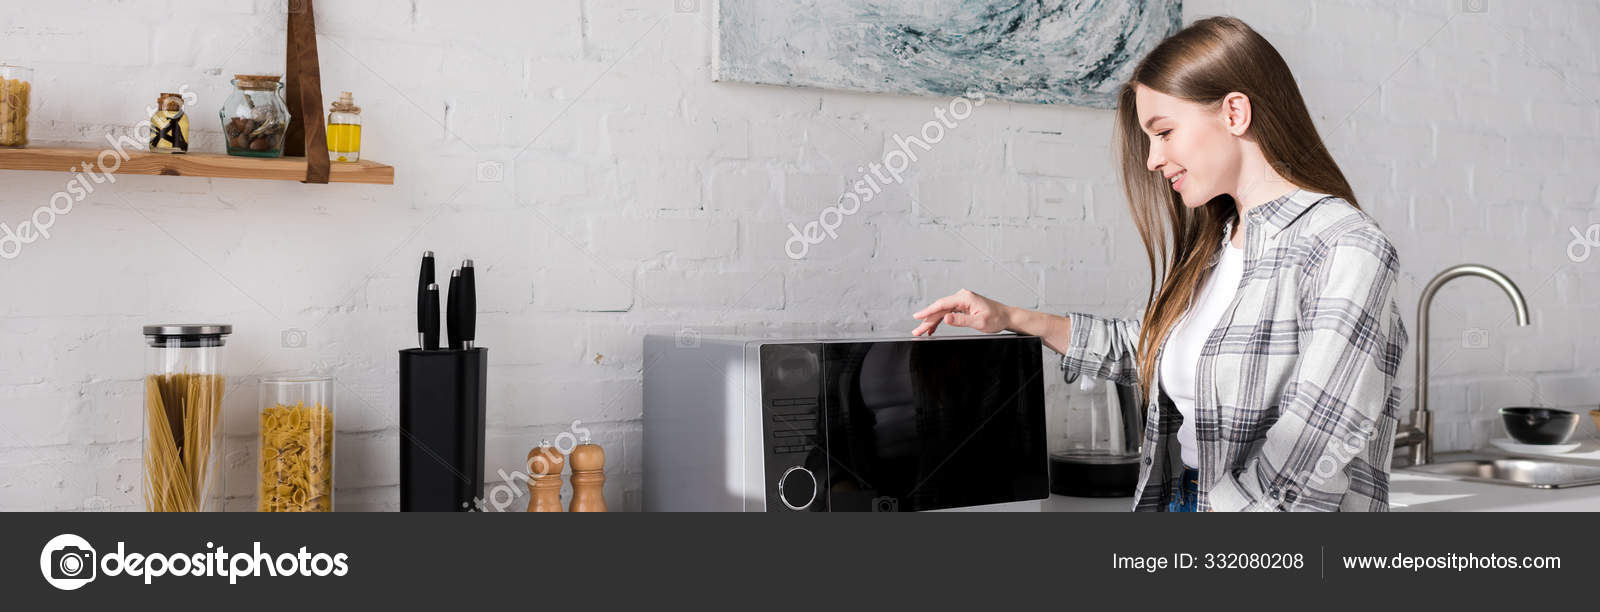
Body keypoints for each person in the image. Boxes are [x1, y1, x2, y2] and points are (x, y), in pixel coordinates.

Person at [911, 16, 1408, 512]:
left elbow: (1317, 443)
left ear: (1235, 112)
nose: (1152, 159)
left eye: (1164, 132)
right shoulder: (1222, 240)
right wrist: (1015, 319)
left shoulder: (1344, 245)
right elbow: (1161, 353)